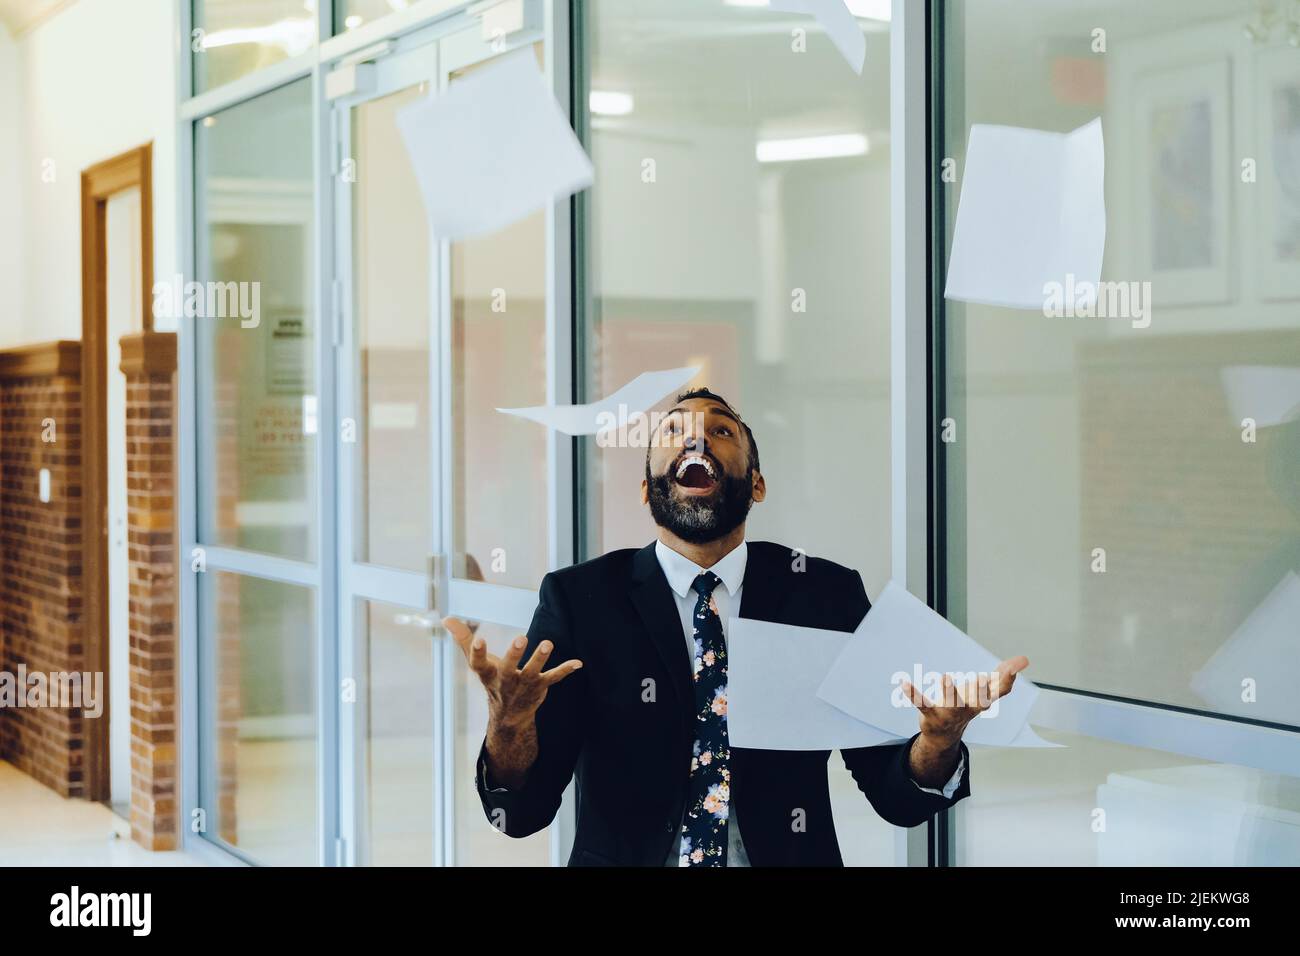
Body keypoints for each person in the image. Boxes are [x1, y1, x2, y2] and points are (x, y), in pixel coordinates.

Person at [443, 388, 1029, 866]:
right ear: (647, 492)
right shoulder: (580, 600)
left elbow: (894, 793)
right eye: (674, 431)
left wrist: (938, 740)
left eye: (721, 430)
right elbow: (521, 814)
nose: (696, 436)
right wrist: (508, 723)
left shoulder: (823, 594)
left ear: (756, 484)